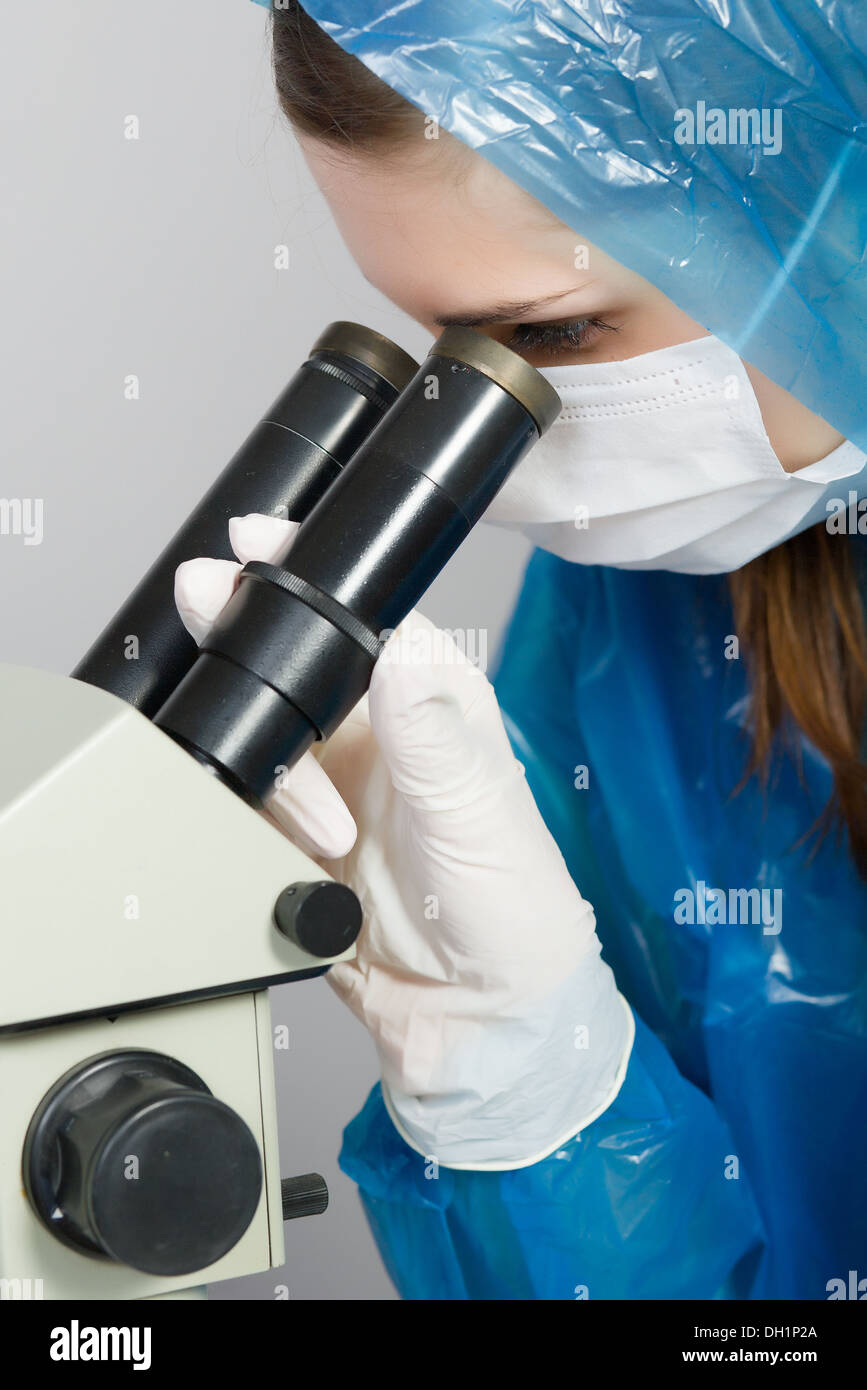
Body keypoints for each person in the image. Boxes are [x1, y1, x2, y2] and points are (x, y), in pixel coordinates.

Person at [179, 1, 867, 1298]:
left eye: (550, 334)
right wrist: (532, 1093)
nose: (511, 439)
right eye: (448, 344)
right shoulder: (651, 621)